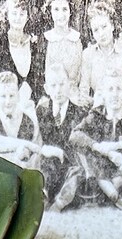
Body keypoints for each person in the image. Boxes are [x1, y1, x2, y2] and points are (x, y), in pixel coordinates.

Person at [69, 70, 122, 203]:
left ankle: (110, 192)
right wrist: (101, 149)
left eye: (118, 89)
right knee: (85, 148)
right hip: (101, 168)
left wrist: (118, 146)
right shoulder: (96, 115)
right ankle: (115, 197)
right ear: (103, 93)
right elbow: (74, 135)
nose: (114, 94)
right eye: (110, 89)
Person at [37, 55, 82, 201]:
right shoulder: (41, 111)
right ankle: (42, 195)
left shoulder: (80, 113)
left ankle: (61, 201)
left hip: (68, 165)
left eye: (62, 84)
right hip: (48, 164)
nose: (58, 90)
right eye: (53, 86)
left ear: (70, 84)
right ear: (46, 88)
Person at [78, 2, 122, 105]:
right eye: (96, 30)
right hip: (97, 109)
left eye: (104, 27)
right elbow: (84, 91)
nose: (101, 34)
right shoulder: (88, 55)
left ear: (112, 26)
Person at [0, 66, 40, 140]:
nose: (8, 102)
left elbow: (37, 149)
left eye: (11, 96)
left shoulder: (31, 120)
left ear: (18, 95)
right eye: (3, 96)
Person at [0, 0, 42, 92]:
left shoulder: (34, 43)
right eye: (14, 13)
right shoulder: (0, 43)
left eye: (22, 14)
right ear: (7, 15)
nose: (18, 18)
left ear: (27, 17)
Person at [43, 0, 83, 98]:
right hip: (52, 96)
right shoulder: (45, 39)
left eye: (64, 9)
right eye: (56, 9)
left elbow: (82, 73)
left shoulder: (77, 39)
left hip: (75, 96)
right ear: (50, 12)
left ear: (70, 12)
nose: (60, 14)